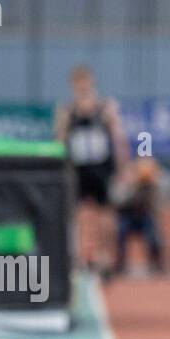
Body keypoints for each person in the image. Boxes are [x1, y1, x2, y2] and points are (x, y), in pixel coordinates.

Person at [54, 65, 128, 273]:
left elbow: (118, 138)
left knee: (106, 214)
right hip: (78, 169)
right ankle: (77, 257)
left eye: (86, 83)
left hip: (102, 168)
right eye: (79, 84)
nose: (83, 88)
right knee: (75, 215)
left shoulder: (106, 108)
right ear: (73, 86)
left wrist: (122, 168)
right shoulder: (67, 111)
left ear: (92, 83)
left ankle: (105, 258)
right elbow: (59, 140)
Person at [108, 157, 170, 277]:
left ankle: (157, 263)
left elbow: (165, 203)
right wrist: (133, 190)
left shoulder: (155, 184)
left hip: (145, 217)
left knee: (154, 235)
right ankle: (120, 263)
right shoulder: (125, 183)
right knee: (120, 232)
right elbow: (116, 201)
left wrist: (152, 192)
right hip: (127, 217)